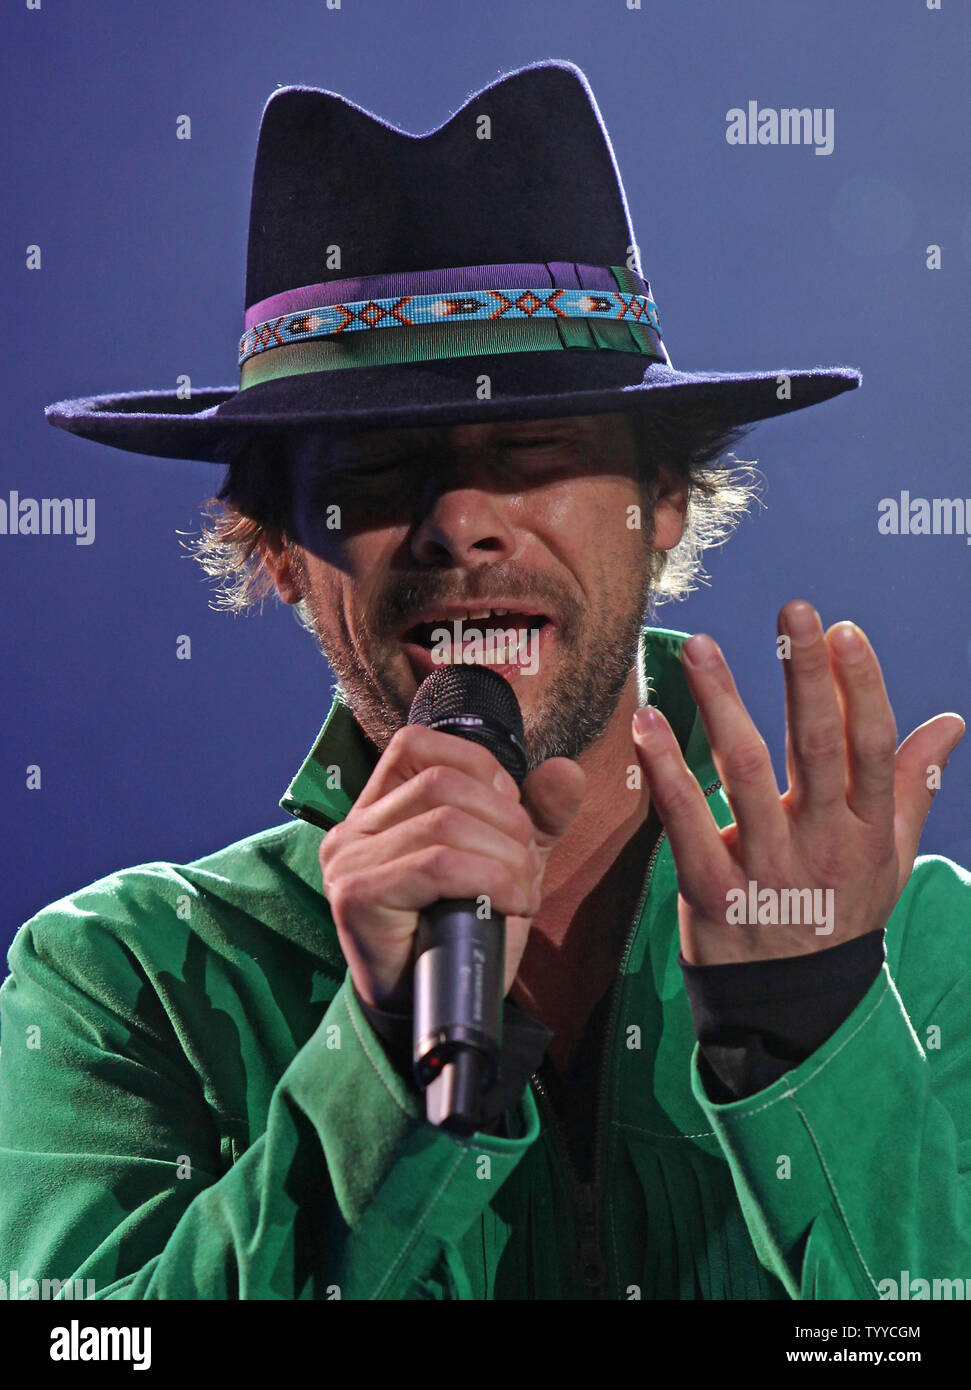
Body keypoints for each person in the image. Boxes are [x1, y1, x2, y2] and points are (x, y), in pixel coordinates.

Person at [1, 60, 967, 1302]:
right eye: (376, 462)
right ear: (282, 549)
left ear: (661, 500)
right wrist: (382, 1072)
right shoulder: (124, 981)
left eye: (533, 445)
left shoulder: (913, 947)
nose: (458, 518)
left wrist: (815, 1041)